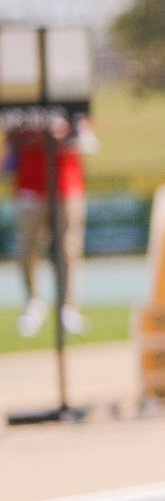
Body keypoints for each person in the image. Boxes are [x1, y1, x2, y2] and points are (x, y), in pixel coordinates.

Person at [6, 116, 95, 338]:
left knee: (69, 247)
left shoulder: (69, 97)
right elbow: (12, 140)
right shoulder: (23, 101)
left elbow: (84, 135)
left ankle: (68, 307)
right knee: (27, 247)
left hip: (67, 182)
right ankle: (33, 302)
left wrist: (63, 135)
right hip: (30, 184)